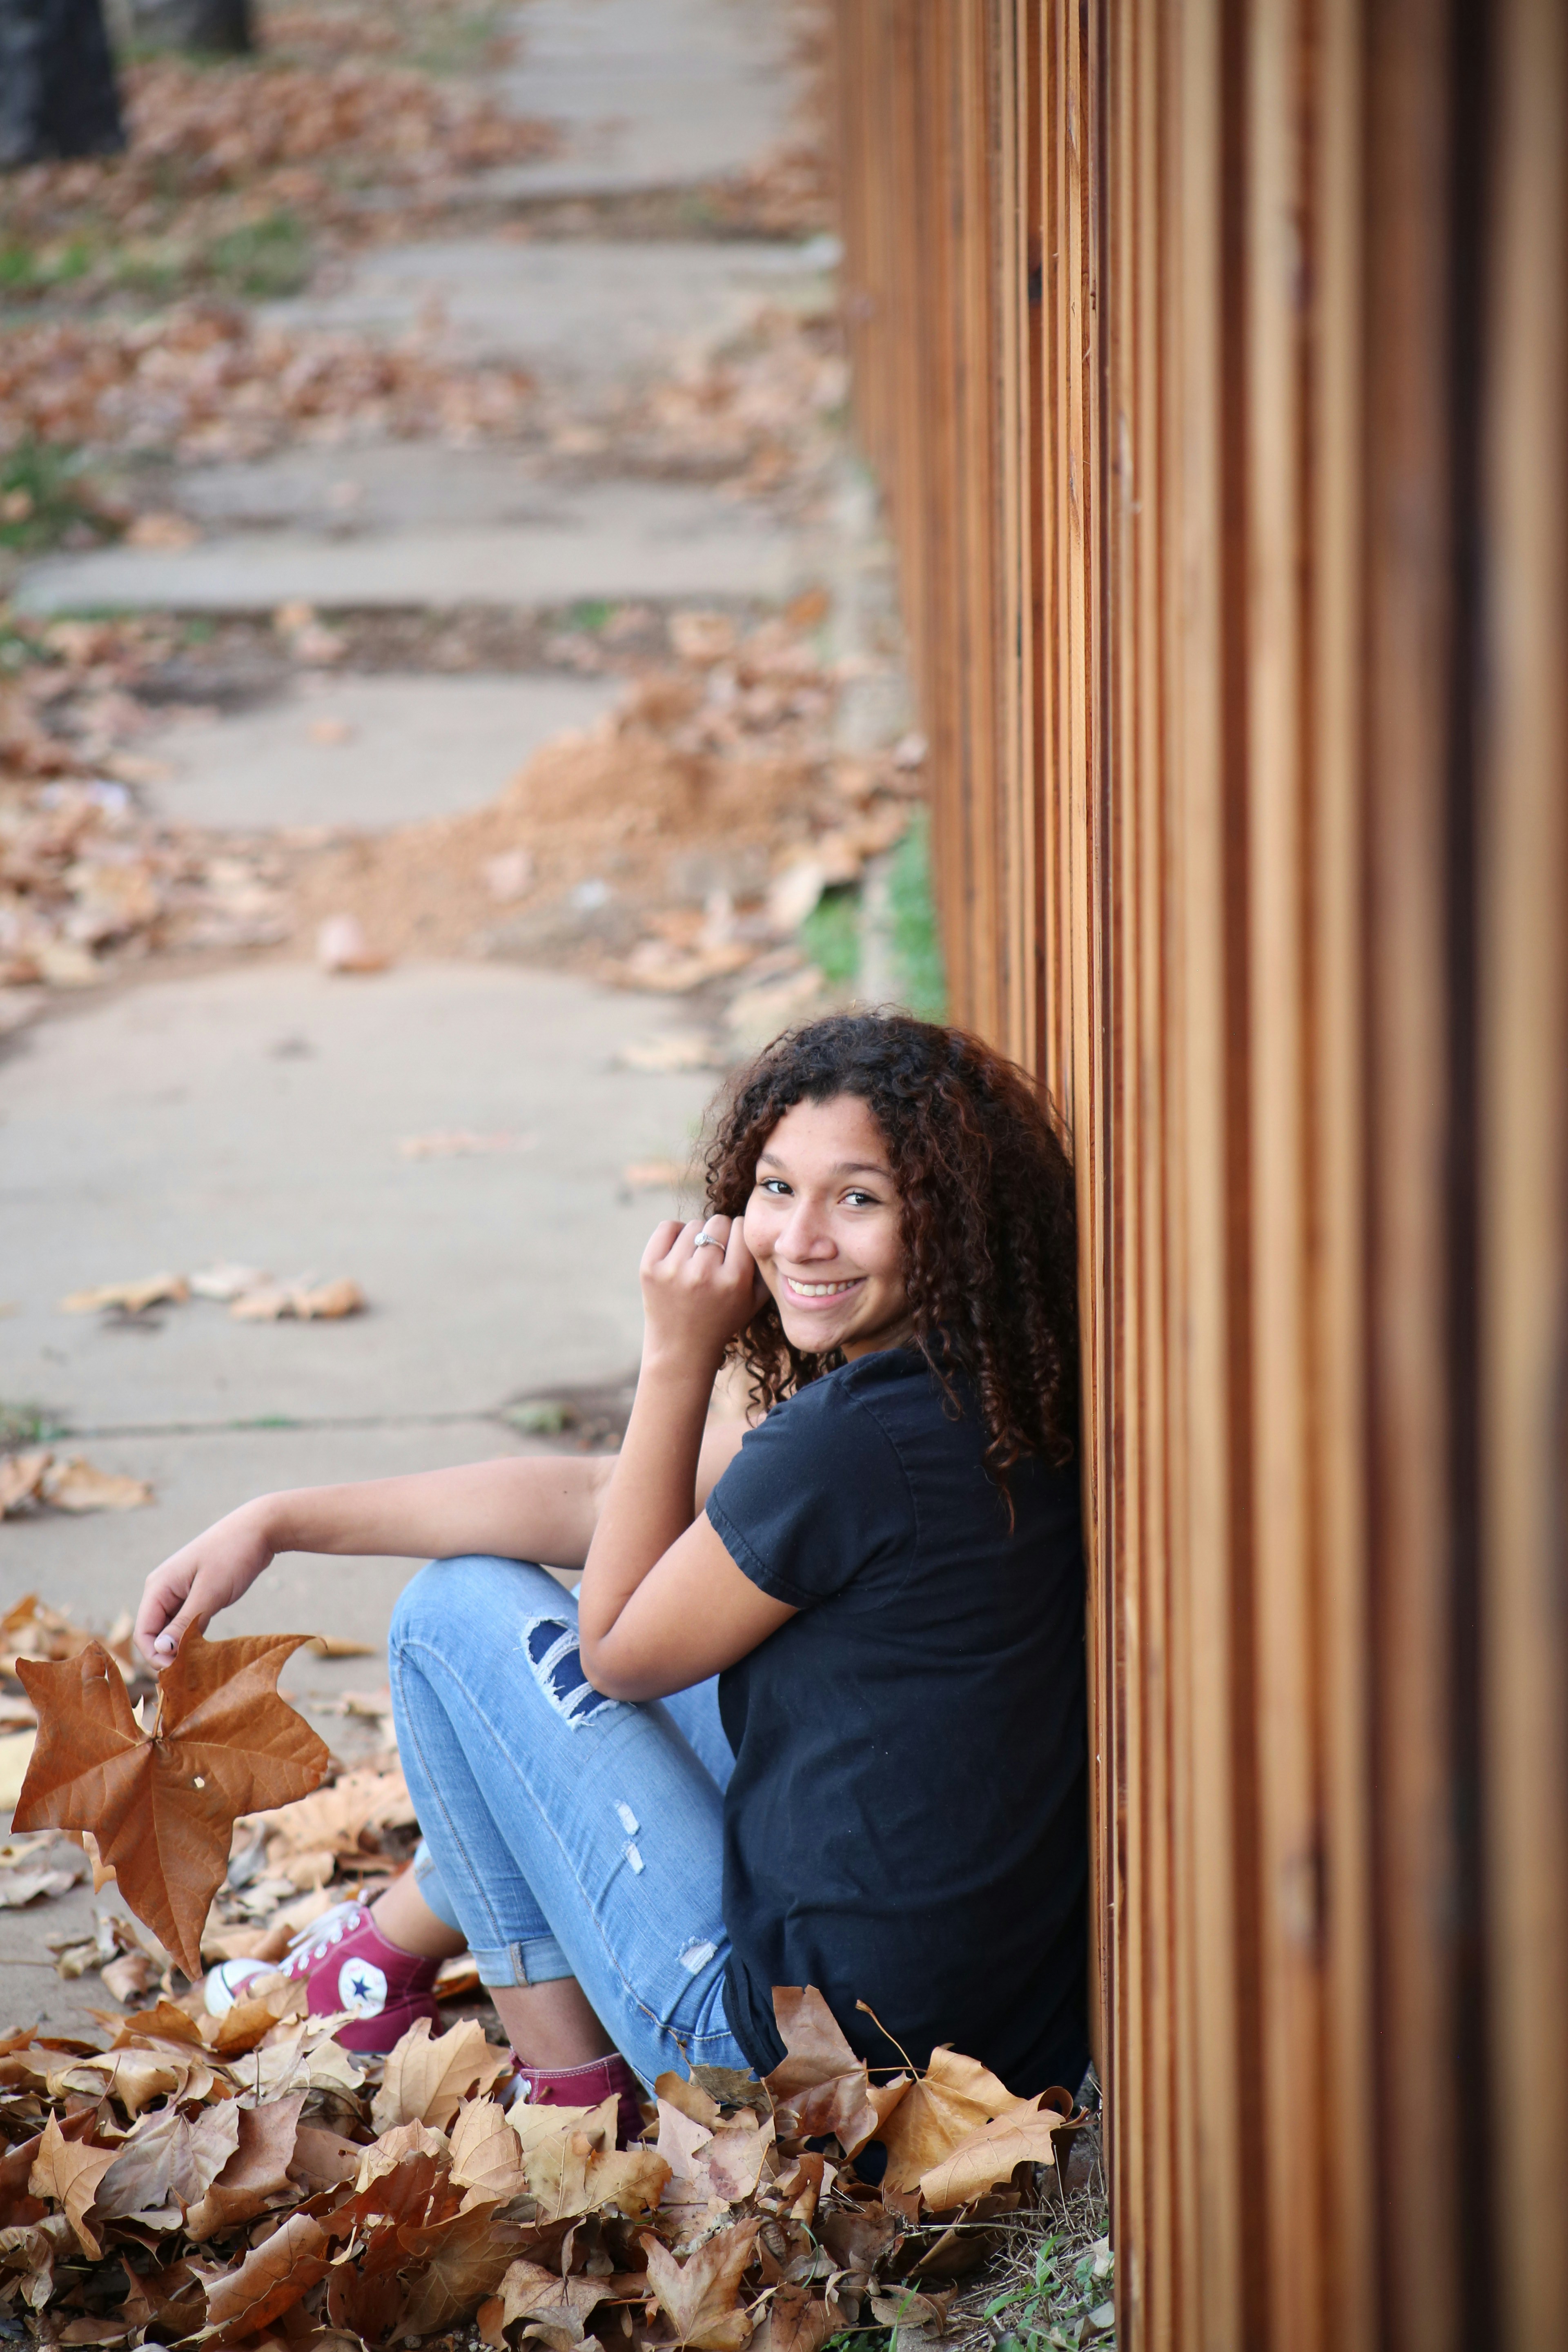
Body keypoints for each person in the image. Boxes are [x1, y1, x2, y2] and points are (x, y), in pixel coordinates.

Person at [135, 1013, 1090, 2141]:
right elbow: (604, 1498)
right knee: (628, 1669)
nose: (800, 1240)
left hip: (798, 2074)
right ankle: (394, 1941)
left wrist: (676, 1357)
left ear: (956, 1217)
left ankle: (578, 2113)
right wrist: (281, 1521)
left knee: (451, 1623)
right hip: (975, 2057)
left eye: (861, 1199)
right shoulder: (981, 1397)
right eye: (777, 1190)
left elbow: (620, 1651)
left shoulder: (850, 1448)